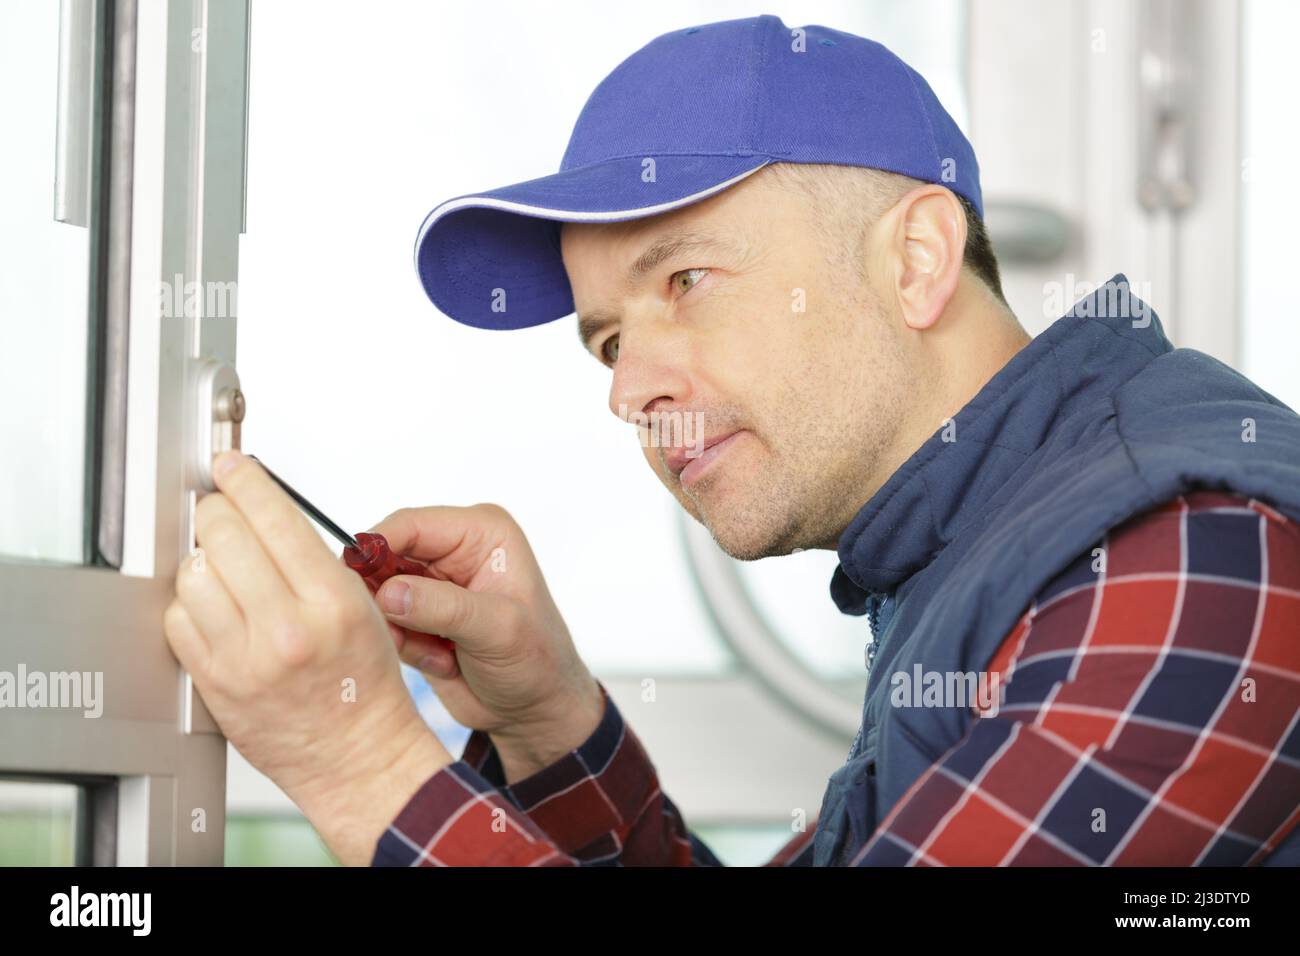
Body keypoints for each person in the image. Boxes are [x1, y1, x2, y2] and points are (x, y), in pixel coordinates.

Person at [164, 15, 1300, 866]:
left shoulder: (1190, 555)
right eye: (607, 340)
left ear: (914, 260)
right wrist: (548, 720)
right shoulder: (985, 552)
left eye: (687, 280)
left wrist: (360, 762)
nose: (630, 391)